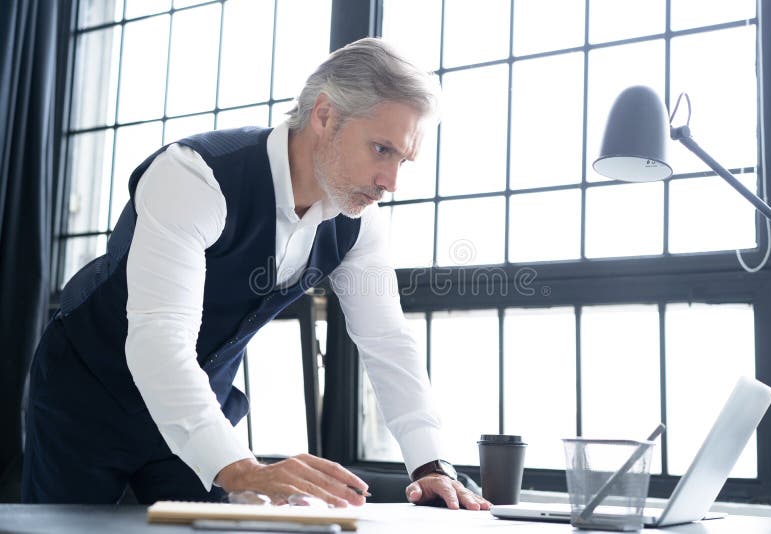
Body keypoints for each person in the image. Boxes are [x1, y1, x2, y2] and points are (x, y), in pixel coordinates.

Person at [22, 37, 489, 511]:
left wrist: (430, 464)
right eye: (381, 149)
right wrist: (242, 467)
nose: (392, 182)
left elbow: (387, 340)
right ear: (325, 115)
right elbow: (158, 339)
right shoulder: (193, 176)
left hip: (201, 405)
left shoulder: (357, 221)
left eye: (402, 160)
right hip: (86, 398)